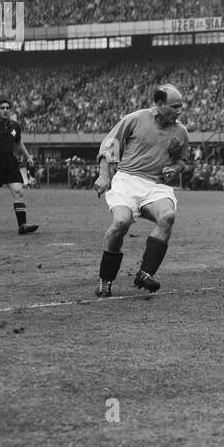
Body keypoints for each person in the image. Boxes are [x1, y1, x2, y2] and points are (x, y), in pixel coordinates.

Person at [93, 84, 190, 297]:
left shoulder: (181, 131)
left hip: (156, 186)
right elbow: (110, 144)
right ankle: (105, 280)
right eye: (174, 106)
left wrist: (174, 169)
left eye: (181, 106)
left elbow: (183, 160)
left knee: (167, 216)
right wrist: (104, 175)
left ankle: (145, 274)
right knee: (121, 223)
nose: (179, 111)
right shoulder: (135, 118)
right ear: (158, 104)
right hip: (127, 180)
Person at [0, 98, 38, 235]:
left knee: (19, 191)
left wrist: (28, 157)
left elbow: (18, 143)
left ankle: (22, 225)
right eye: (2, 108)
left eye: (7, 108)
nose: (5, 110)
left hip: (10, 160)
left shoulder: (15, 126)